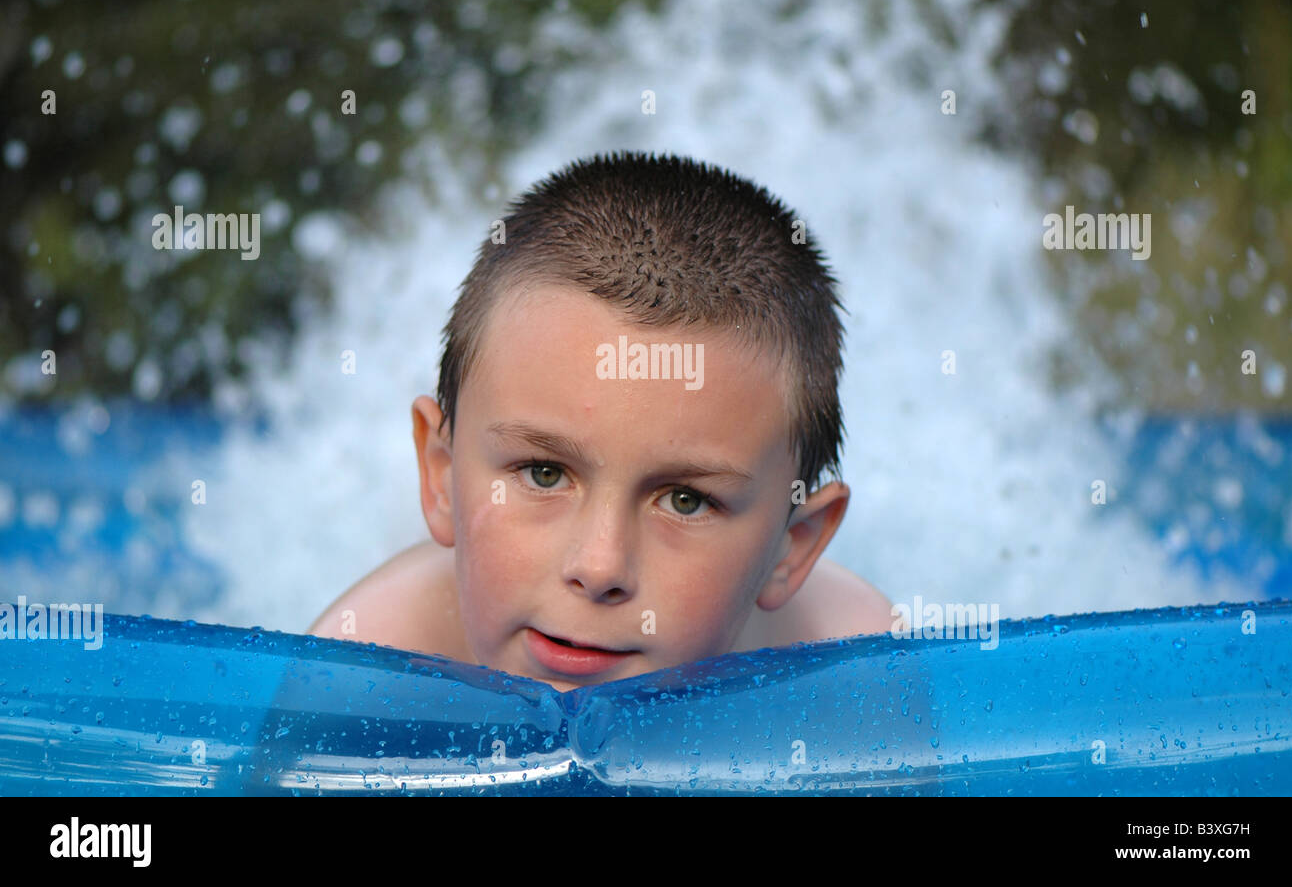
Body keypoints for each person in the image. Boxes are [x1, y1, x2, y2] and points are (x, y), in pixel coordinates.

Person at [308, 150, 895, 691]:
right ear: (440, 476)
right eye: (542, 473)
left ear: (792, 546)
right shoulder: (361, 667)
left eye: (686, 500)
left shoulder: (856, 668)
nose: (599, 567)